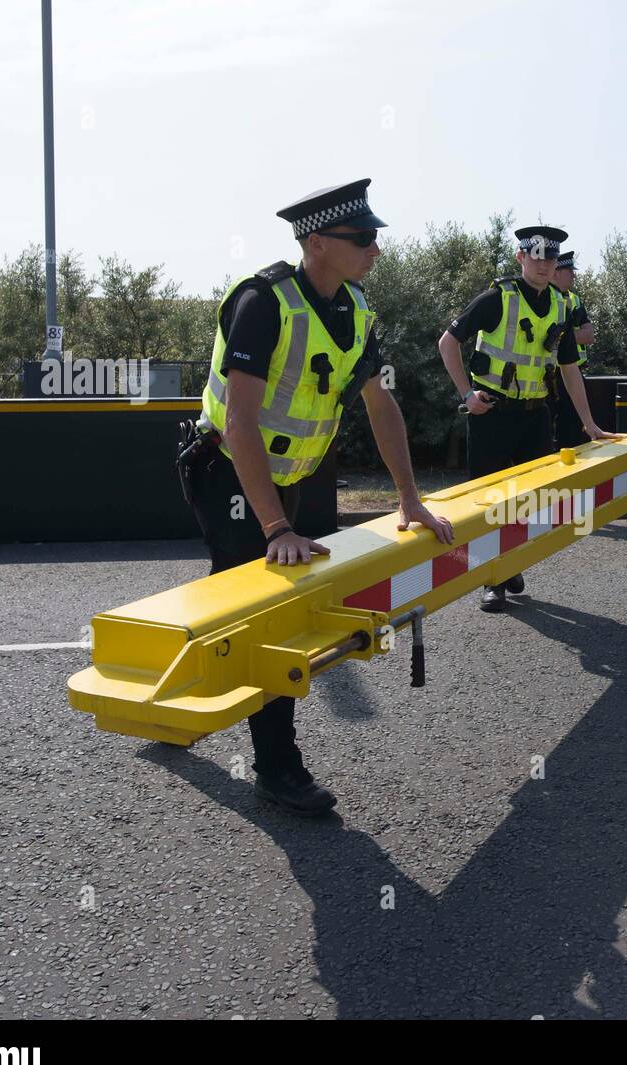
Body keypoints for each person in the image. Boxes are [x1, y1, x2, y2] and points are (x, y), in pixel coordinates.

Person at [181, 178, 453, 816]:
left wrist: (409, 498)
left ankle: (194, 684)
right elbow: (241, 422)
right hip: (227, 472)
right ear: (315, 242)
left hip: (287, 478)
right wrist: (276, 528)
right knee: (271, 610)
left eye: (376, 237)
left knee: (241, 598)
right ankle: (278, 768)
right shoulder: (262, 302)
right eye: (362, 238)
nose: (375, 249)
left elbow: (380, 404)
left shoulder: (355, 307)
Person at [437, 225, 618, 613]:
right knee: (490, 503)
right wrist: (466, 395)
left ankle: (510, 563)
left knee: (531, 503)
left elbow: (570, 369)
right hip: (492, 415)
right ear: (521, 258)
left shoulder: (560, 305)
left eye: (550, 259)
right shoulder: (496, 298)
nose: (543, 264)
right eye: (535, 257)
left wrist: (589, 425)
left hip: (536, 415)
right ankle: (494, 580)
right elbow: (447, 342)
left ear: (556, 265)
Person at [549, 250, 596, 449]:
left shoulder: (575, 300)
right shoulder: (542, 299)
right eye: (569, 270)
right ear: (555, 273)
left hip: (574, 373)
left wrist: (562, 338)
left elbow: (589, 336)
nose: (574, 274)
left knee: (572, 430)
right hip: (547, 376)